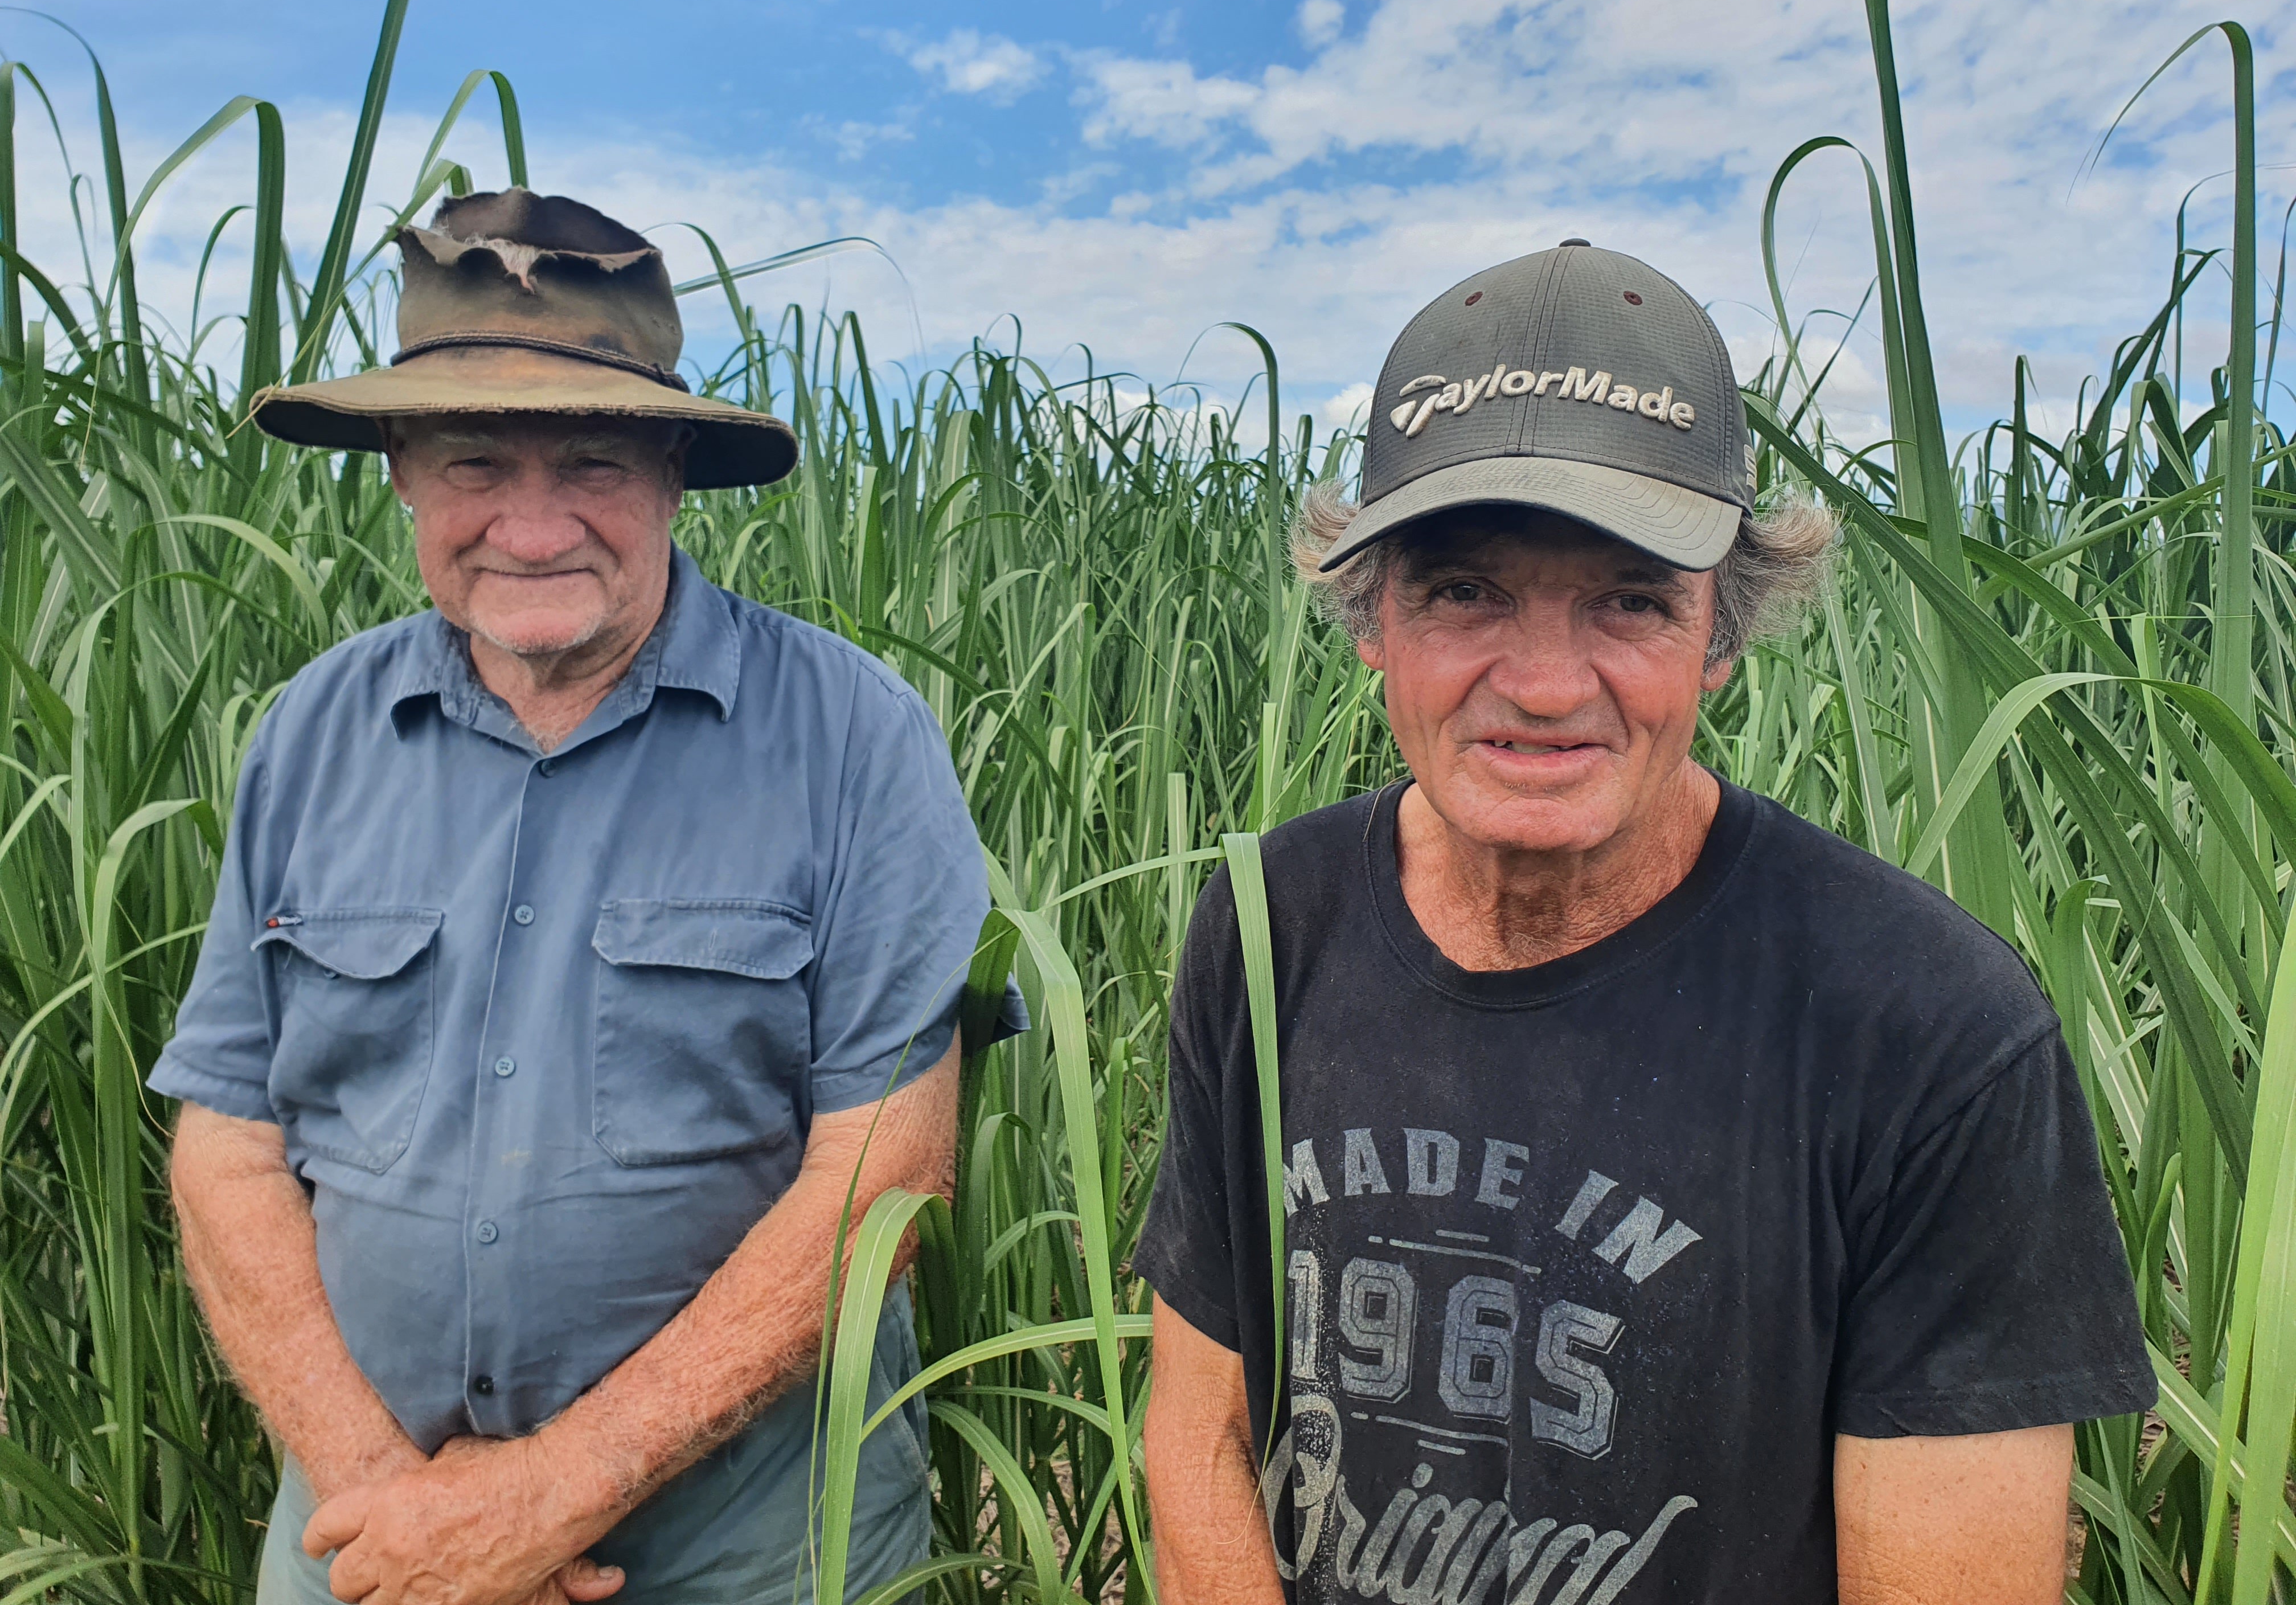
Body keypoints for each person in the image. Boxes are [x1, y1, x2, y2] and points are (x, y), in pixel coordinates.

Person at [1135, 240, 2153, 1604]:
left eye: (1629, 599)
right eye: (1464, 590)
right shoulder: (1271, 921)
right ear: (1372, 616)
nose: (1546, 684)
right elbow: (1200, 1431)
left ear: (1722, 637)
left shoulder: (1932, 1035)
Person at [151, 190, 989, 1604]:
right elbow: (226, 1146)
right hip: (364, 1553)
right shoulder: (312, 732)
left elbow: (883, 1174)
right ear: (403, 473)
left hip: (748, 1561)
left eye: (592, 462)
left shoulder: (852, 735)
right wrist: (388, 1506)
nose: (532, 528)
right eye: (475, 459)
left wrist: (552, 1495)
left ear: (672, 472)